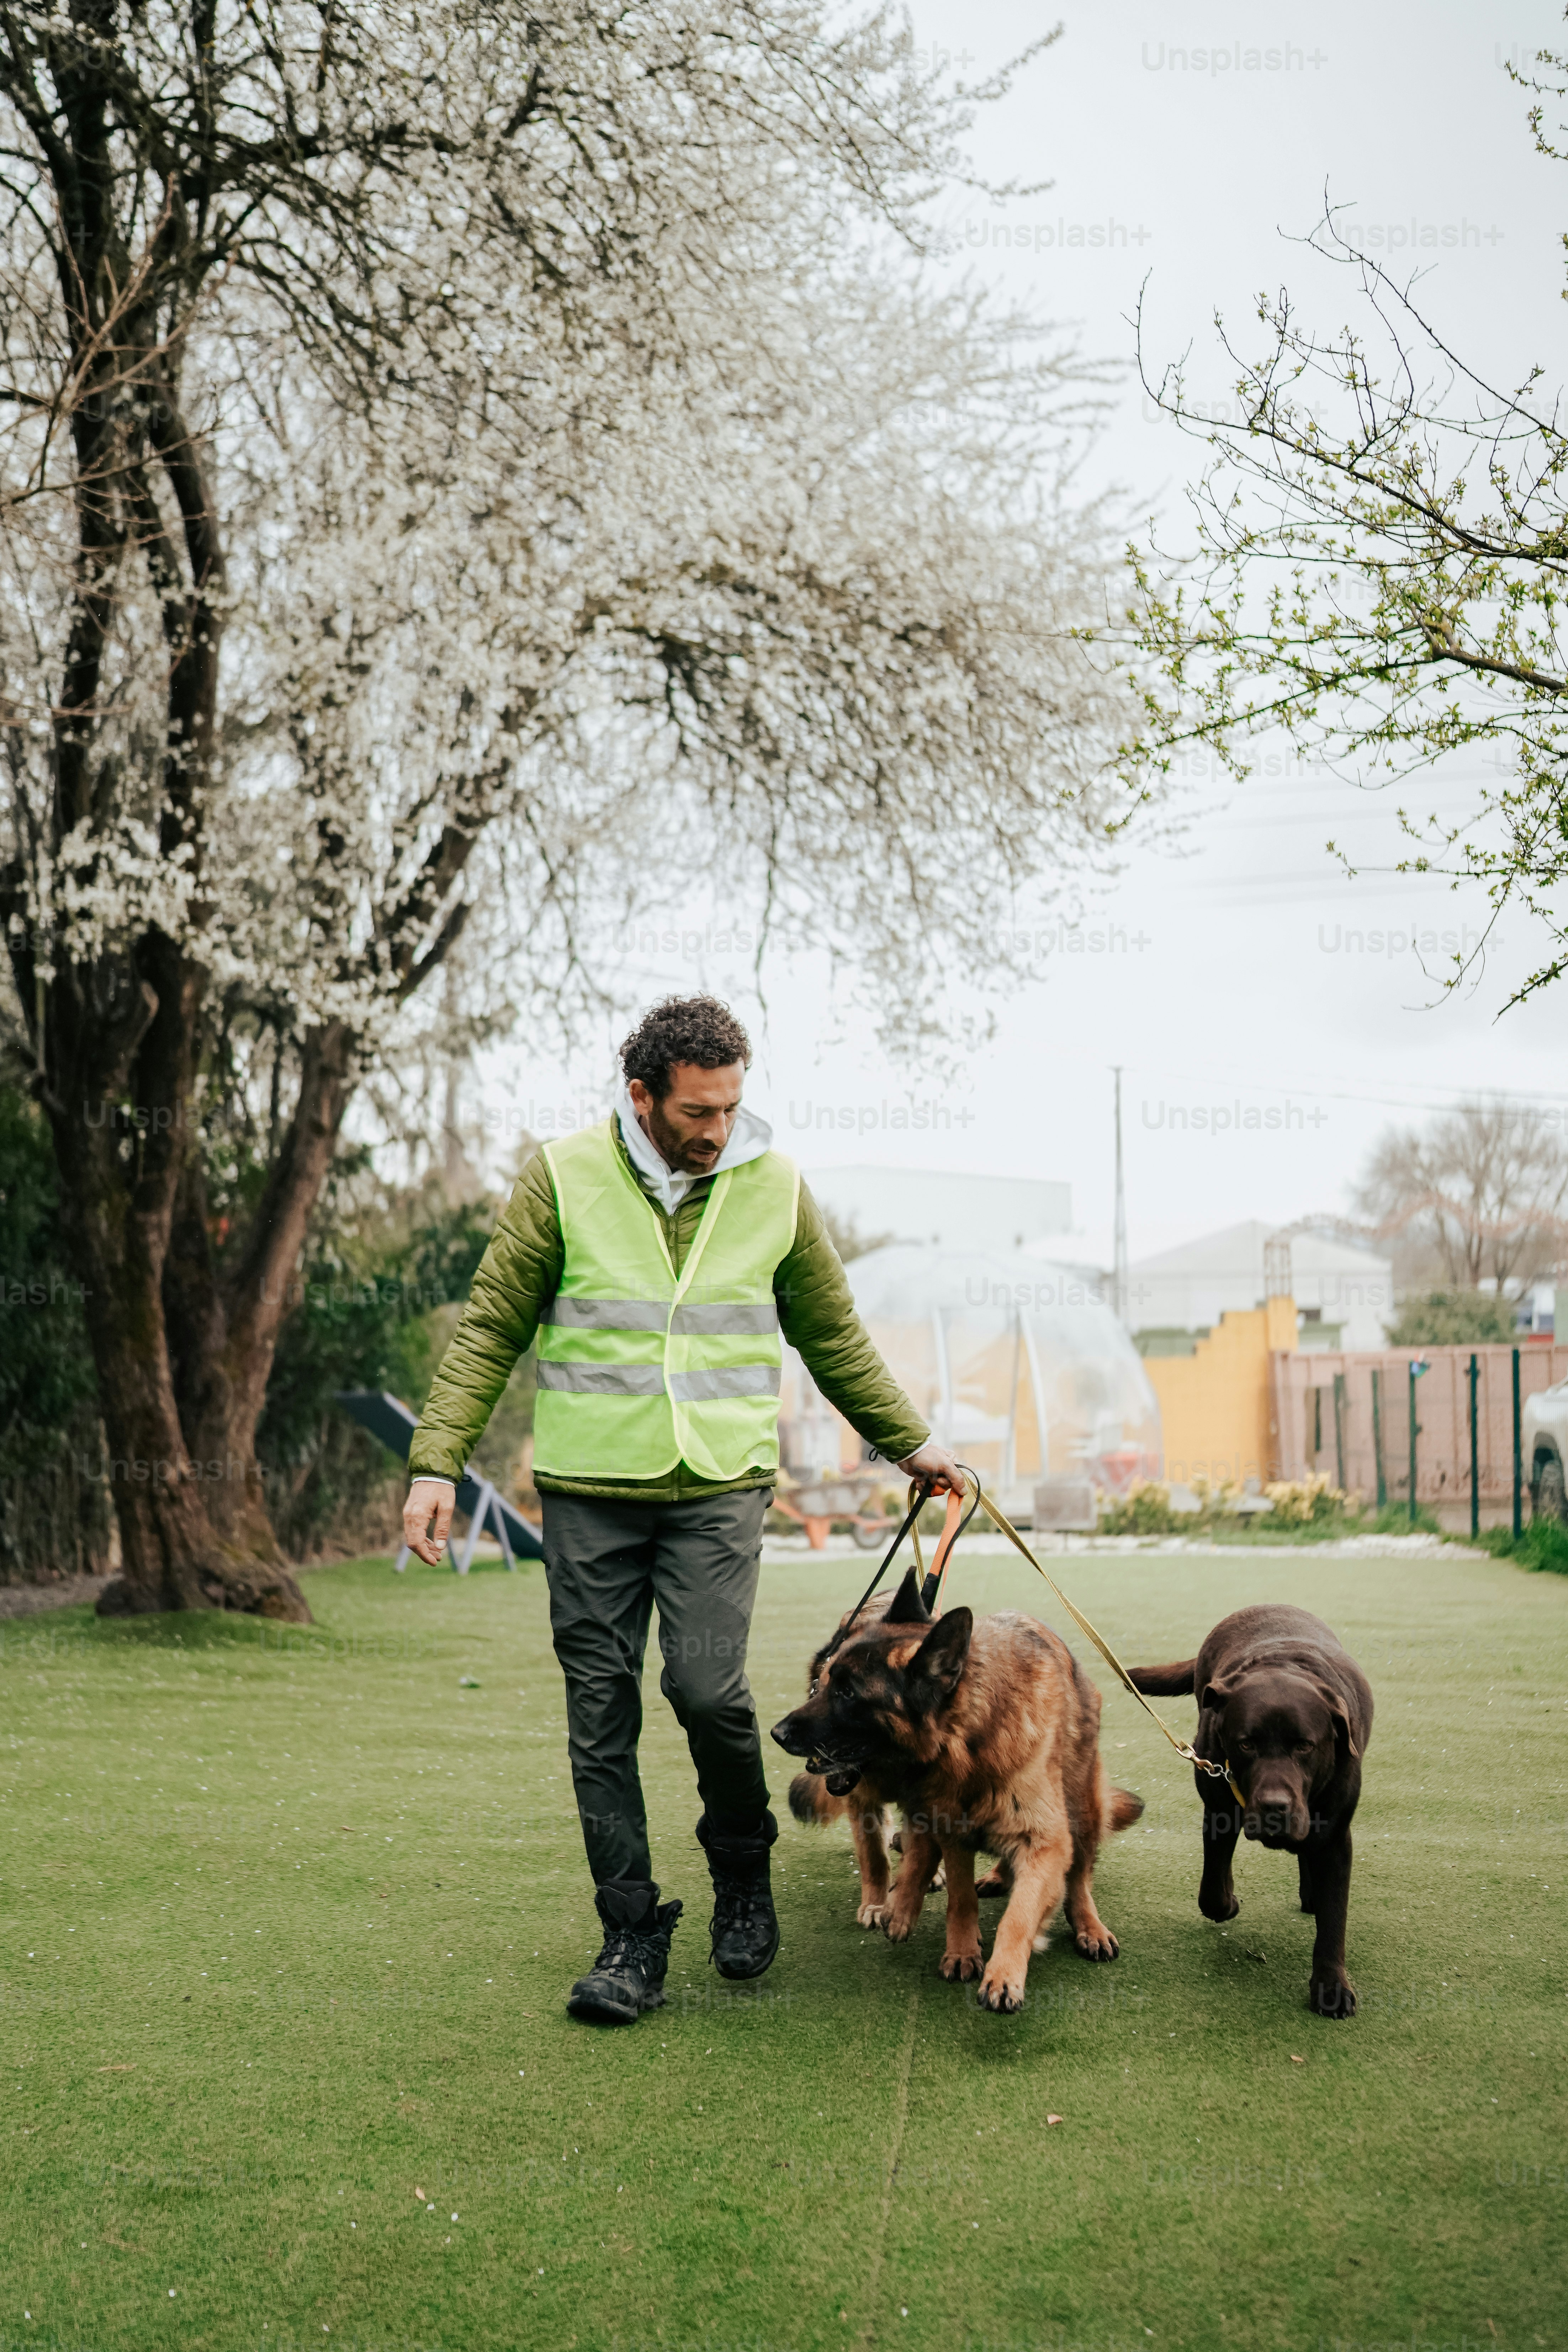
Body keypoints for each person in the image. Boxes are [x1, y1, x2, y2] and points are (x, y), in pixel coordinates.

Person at [403, 995, 960, 2025]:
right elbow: (490, 1326)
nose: (718, 1131)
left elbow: (830, 1333)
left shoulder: (775, 1184)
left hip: (718, 1486)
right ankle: (630, 1930)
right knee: (600, 1709)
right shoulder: (563, 1177)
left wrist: (912, 1442)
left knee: (709, 1688)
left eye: (732, 1108)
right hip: (590, 1494)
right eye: (698, 1111)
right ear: (642, 1096)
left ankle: (742, 1877)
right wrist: (436, 1462)